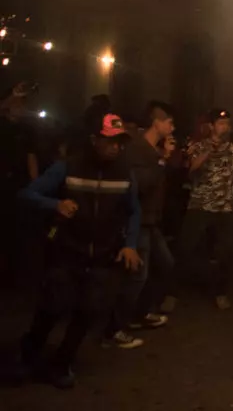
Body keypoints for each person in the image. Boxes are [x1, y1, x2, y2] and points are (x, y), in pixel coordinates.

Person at [15, 113, 142, 389]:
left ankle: (62, 364)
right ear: (94, 139)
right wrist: (55, 205)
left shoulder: (124, 172)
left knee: (88, 311)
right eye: (110, 141)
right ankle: (28, 356)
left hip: (103, 256)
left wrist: (130, 244)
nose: (116, 147)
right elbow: (27, 194)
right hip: (67, 251)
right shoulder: (68, 167)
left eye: (120, 142)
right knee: (53, 305)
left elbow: (134, 211)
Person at [102, 101, 177, 348]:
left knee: (165, 264)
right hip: (139, 219)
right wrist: (162, 160)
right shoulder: (137, 149)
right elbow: (141, 185)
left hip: (152, 219)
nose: (172, 127)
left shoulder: (154, 149)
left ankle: (139, 313)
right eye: (169, 122)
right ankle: (115, 329)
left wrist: (167, 158)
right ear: (157, 122)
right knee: (137, 276)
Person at [178, 108, 233, 310]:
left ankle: (221, 292)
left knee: (227, 251)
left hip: (226, 207)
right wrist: (210, 150)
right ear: (211, 126)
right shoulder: (197, 146)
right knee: (185, 247)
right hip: (200, 204)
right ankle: (172, 291)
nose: (224, 127)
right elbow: (191, 169)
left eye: (227, 124)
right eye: (220, 123)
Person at [1, 83, 40, 284]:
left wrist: (35, 186)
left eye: (23, 103)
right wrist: (11, 97)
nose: (21, 106)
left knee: (18, 229)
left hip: (19, 183)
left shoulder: (27, 128)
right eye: (17, 102)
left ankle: (17, 273)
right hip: (2, 183)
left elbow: (30, 155)